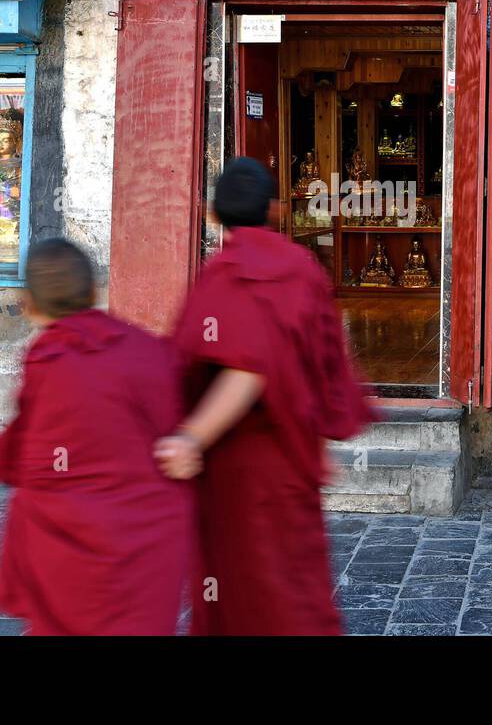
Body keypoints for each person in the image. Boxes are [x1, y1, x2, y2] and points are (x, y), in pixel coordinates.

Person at [156, 157, 375, 635]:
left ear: (213, 215)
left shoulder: (226, 273)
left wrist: (191, 437)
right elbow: (318, 361)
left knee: (246, 592)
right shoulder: (301, 268)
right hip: (290, 459)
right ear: (275, 210)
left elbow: (246, 367)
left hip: (236, 466)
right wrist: (316, 440)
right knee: (293, 587)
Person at [0, 237, 191, 635]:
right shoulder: (144, 348)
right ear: (93, 292)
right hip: (143, 534)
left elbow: (30, 454)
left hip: (66, 536)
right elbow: (173, 428)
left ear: (30, 306)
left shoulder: (45, 359)